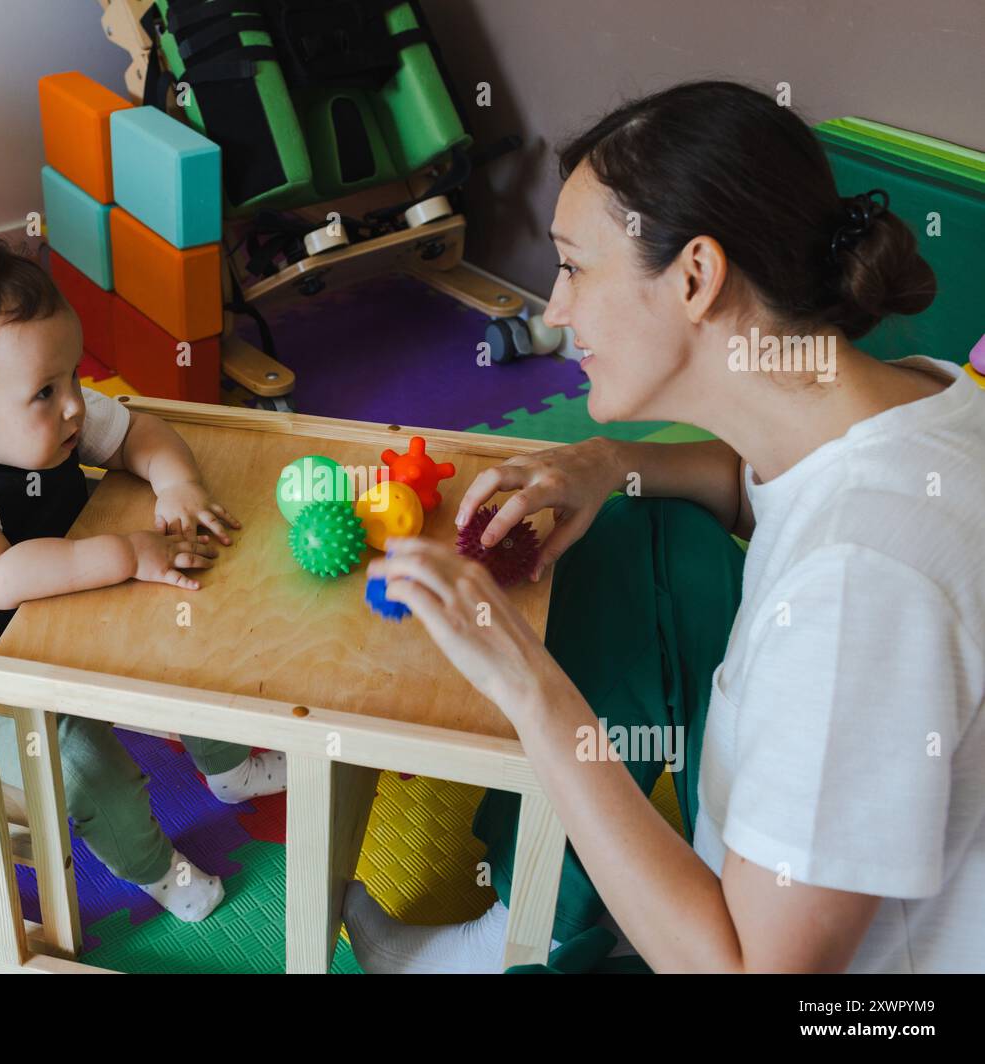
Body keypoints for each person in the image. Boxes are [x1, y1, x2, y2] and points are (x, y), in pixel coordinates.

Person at [343, 80, 984, 973]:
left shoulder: (862, 584)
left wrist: (532, 689)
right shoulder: (926, 395)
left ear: (695, 277)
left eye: (573, 265)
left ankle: (540, 940)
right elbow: (765, 487)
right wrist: (607, 463)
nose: (555, 310)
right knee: (639, 539)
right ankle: (549, 919)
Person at [0, 236, 286, 922]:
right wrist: (127, 554)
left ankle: (225, 767)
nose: (76, 404)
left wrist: (176, 483)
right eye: (48, 390)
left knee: (190, 640)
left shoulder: (44, 415)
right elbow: (2, 579)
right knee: (86, 771)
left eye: (72, 376)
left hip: (91, 610)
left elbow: (138, 432)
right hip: (7, 678)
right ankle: (152, 867)